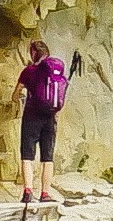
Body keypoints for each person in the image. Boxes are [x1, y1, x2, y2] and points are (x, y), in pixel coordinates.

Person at [17, 38, 72, 204]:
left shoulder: (29, 71)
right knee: (47, 158)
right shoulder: (54, 72)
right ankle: (45, 193)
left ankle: (28, 192)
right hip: (50, 117)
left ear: (33, 53)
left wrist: (16, 100)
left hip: (32, 116)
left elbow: (17, 92)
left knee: (27, 155)